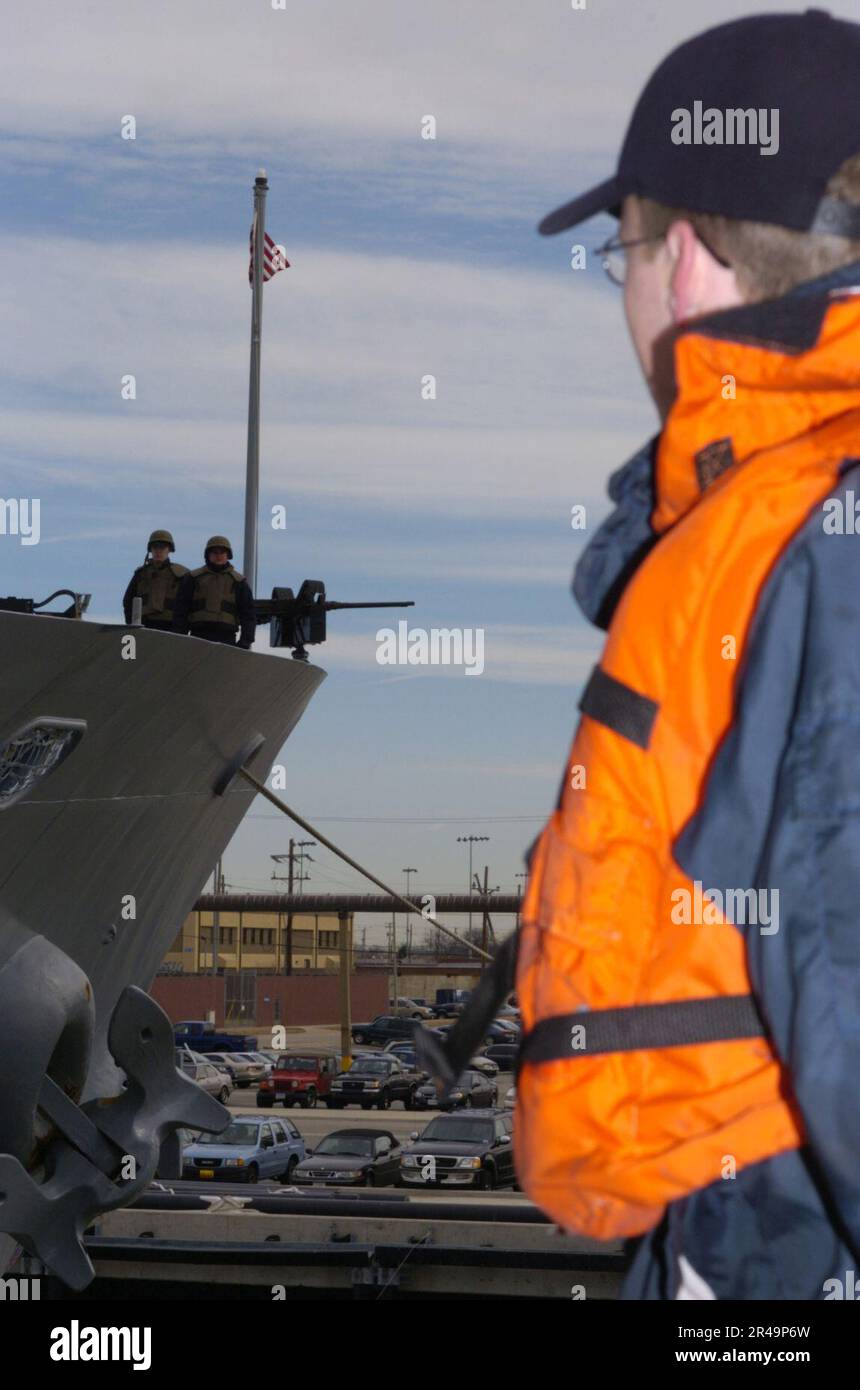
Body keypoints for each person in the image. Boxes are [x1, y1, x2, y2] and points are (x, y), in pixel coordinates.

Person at [516, 9, 860, 1300]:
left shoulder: (824, 541)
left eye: (627, 250)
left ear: (698, 260)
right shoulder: (766, 527)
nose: (626, 287)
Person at [172, 536, 256, 648]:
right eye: (215, 552)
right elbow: (181, 610)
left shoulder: (238, 582)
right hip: (198, 635)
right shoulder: (193, 579)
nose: (218, 556)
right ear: (208, 555)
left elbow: (248, 615)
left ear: (228, 555)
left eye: (222, 552)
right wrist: (179, 637)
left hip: (227, 638)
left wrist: (245, 642)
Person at [122, 529, 188, 631]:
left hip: (170, 627)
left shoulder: (180, 575)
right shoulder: (141, 574)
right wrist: (131, 624)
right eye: (155, 547)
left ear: (169, 549)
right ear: (150, 549)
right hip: (144, 625)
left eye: (162, 547)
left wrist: (180, 629)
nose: (158, 551)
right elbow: (128, 601)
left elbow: (187, 604)